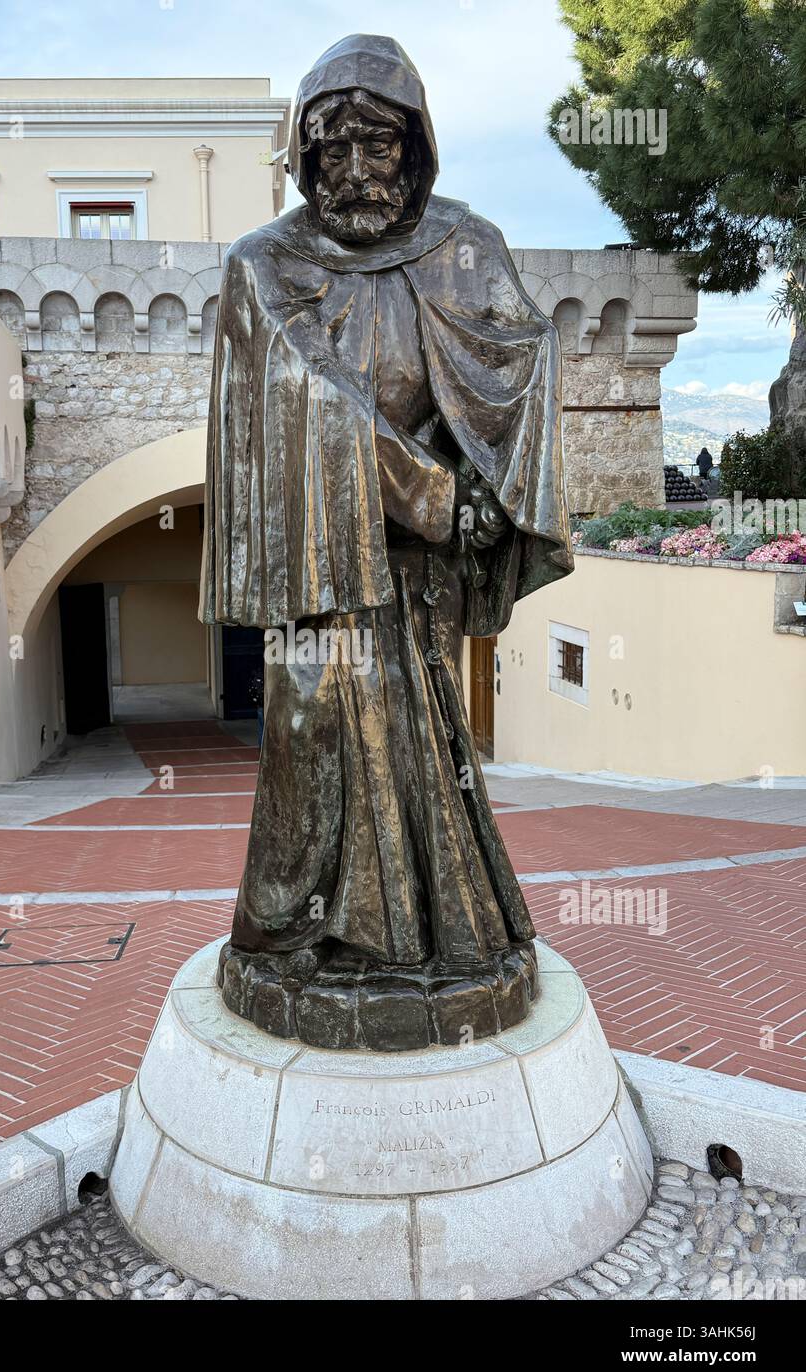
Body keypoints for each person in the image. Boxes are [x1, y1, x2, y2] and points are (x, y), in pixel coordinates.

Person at [200, 34, 573, 1049]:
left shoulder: (463, 247)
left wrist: (490, 475)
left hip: (418, 578)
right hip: (323, 561)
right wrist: (436, 493)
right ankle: (289, 938)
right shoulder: (264, 265)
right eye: (335, 149)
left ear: (417, 151)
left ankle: (444, 936)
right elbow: (304, 392)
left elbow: (523, 354)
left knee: (428, 746)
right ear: (305, 156)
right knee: (313, 730)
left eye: (381, 146)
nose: (359, 172)